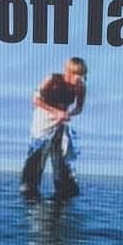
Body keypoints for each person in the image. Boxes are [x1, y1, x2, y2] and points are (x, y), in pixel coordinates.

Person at [20, 57, 87, 199]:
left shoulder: (80, 87)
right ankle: (30, 186)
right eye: (78, 75)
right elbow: (36, 100)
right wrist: (55, 112)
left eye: (82, 76)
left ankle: (64, 187)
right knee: (38, 150)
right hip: (44, 118)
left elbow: (79, 108)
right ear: (68, 72)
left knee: (62, 151)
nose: (80, 79)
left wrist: (68, 114)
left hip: (61, 118)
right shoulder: (52, 79)